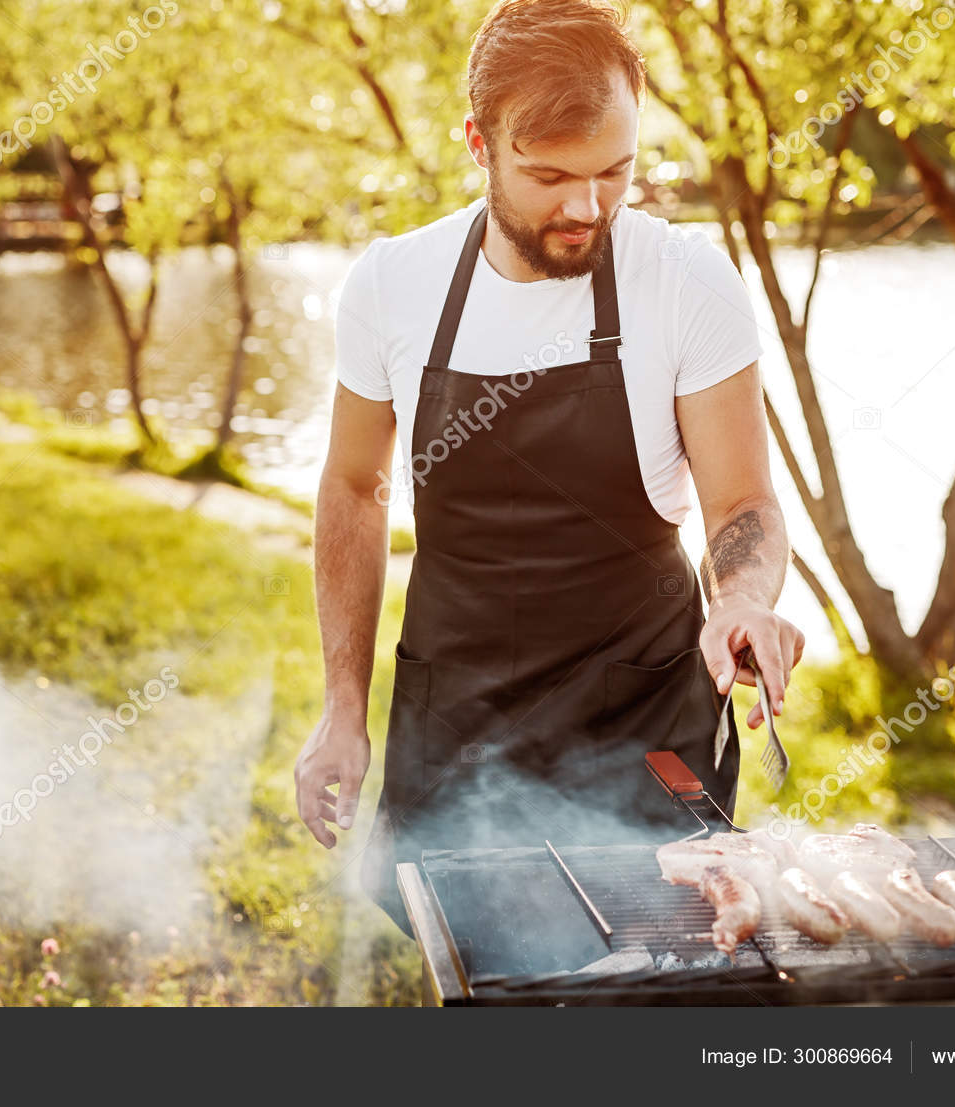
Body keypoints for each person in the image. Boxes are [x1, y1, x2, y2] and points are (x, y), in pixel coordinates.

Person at [294, 0, 804, 936]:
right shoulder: (391, 285)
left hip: (639, 719)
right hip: (455, 716)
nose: (587, 207)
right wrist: (341, 707)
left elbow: (741, 501)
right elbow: (353, 489)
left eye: (616, 171)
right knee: (476, 972)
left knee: (651, 973)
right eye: (550, 176)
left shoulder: (687, 281)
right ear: (478, 143)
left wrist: (740, 599)